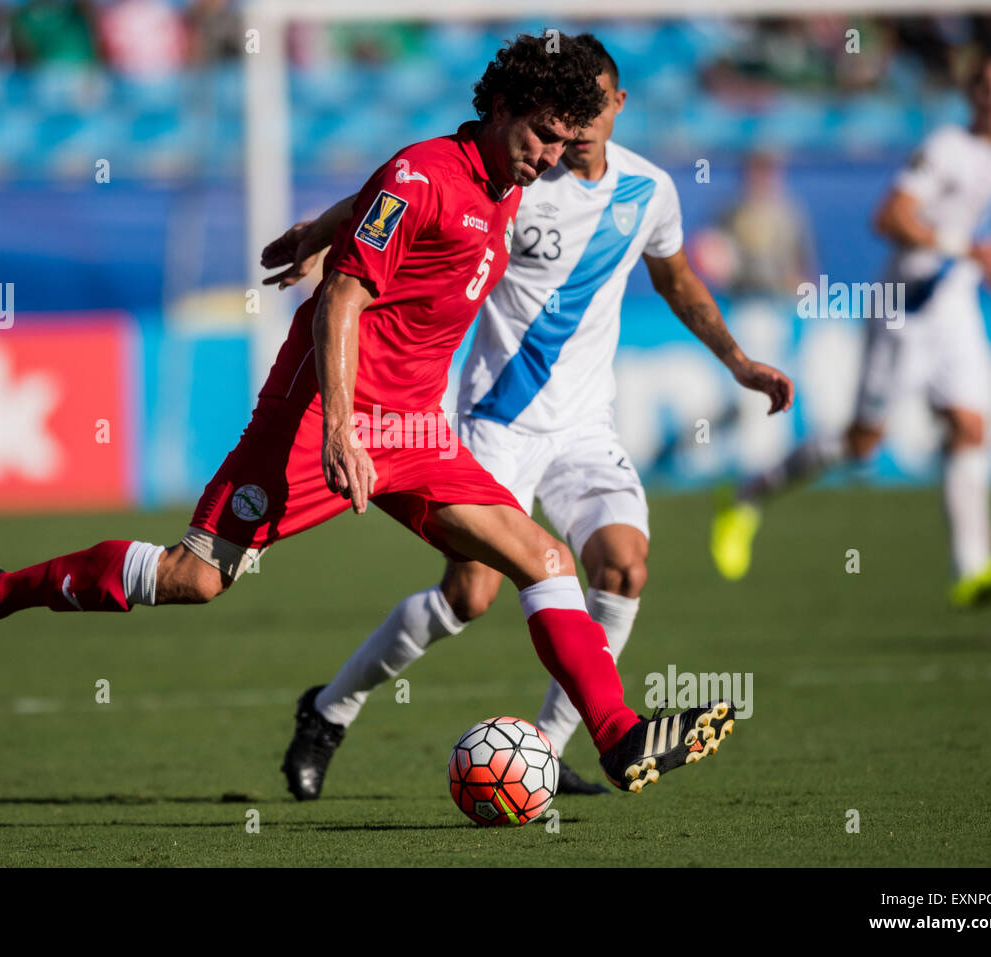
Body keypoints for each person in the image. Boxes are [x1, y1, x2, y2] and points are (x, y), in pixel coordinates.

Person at [0, 33, 736, 796]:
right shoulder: (429, 175)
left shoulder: (502, 178)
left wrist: (318, 225)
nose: (550, 157)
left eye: (562, 141)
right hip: (317, 417)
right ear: (504, 107)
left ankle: (619, 738)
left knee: (545, 558)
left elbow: (370, 212)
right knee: (197, 577)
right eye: (541, 135)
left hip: (414, 427)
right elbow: (343, 297)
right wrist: (337, 427)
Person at [267, 36, 794, 800]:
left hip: (584, 424)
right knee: (469, 597)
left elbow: (677, 279)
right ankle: (328, 708)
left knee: (623, 564)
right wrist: (322, 235)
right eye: (563, 115)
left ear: (616, 106)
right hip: (496, 418)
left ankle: (550, 746)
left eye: (593, 106)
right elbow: (403, 196)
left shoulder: (649, 191)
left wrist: (738, 359)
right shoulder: (522, 181)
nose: (573, 129)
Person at [711, 52, 991, 607]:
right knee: (863, 442)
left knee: (970, 427)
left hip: (955, 312)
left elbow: (964, 236)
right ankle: (751, 495)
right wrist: (968, 250)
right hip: (904, 312)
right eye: (985, 87)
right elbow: (888, 218)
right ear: (970, 95)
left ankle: (972, 571)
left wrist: (983, 261)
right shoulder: (945, 149)